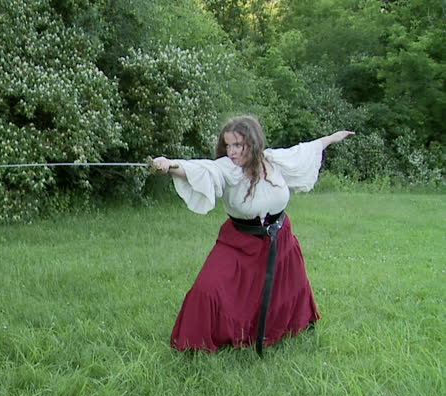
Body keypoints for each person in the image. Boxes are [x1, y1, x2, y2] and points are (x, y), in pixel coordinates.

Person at [151, 115, 353, 353]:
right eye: (228, 145)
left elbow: (306, 150)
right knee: (207, 288)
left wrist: (331, 138)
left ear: (253, 143)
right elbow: (200, 168)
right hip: (239, 241)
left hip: (280, 238)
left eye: (238, 145)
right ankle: (196, 343)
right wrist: (170, 165)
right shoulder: (227, 168)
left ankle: (280, 329)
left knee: (283, 290)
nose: (232, 152)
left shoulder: (274, 161)